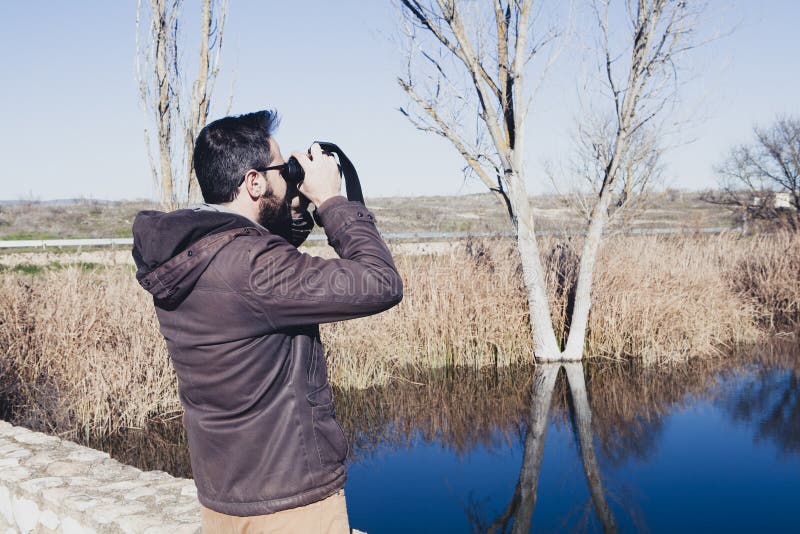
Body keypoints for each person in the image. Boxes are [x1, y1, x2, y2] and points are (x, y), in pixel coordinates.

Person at [131, 110, 403, 533]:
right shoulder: (254, 268)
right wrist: (332, 201)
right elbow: (380, 282)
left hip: (224, 499)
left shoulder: (189, 255)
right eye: (280, 169)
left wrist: (290, 202)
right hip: (290, 506)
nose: (289, 177)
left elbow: (262, 266)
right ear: (254, 182)